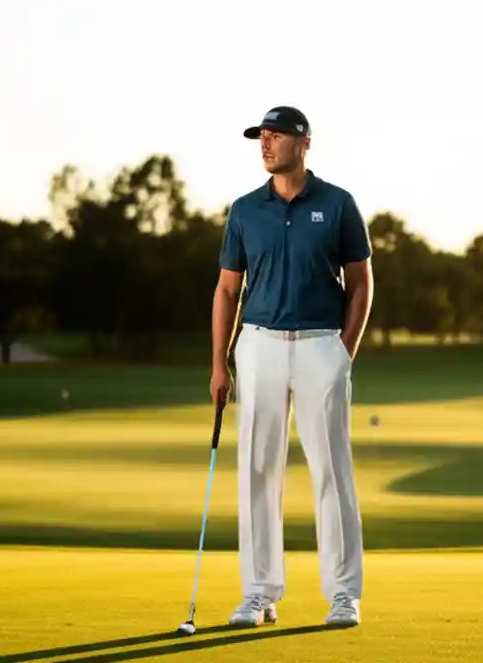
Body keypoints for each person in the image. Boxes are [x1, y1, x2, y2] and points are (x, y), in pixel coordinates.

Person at [210, 105, 374, 629]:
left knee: (332, 472)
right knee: (257, 471)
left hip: (321, 344)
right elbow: (227, 290)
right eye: (261, 136)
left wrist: (344, 351)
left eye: (276, 136)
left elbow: (361, 283)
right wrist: (219, 364)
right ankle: (259, 594)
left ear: (303, 143)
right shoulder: (244, 210)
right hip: (258, 344)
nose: (266, 144)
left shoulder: (338, 204)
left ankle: (344, 595)